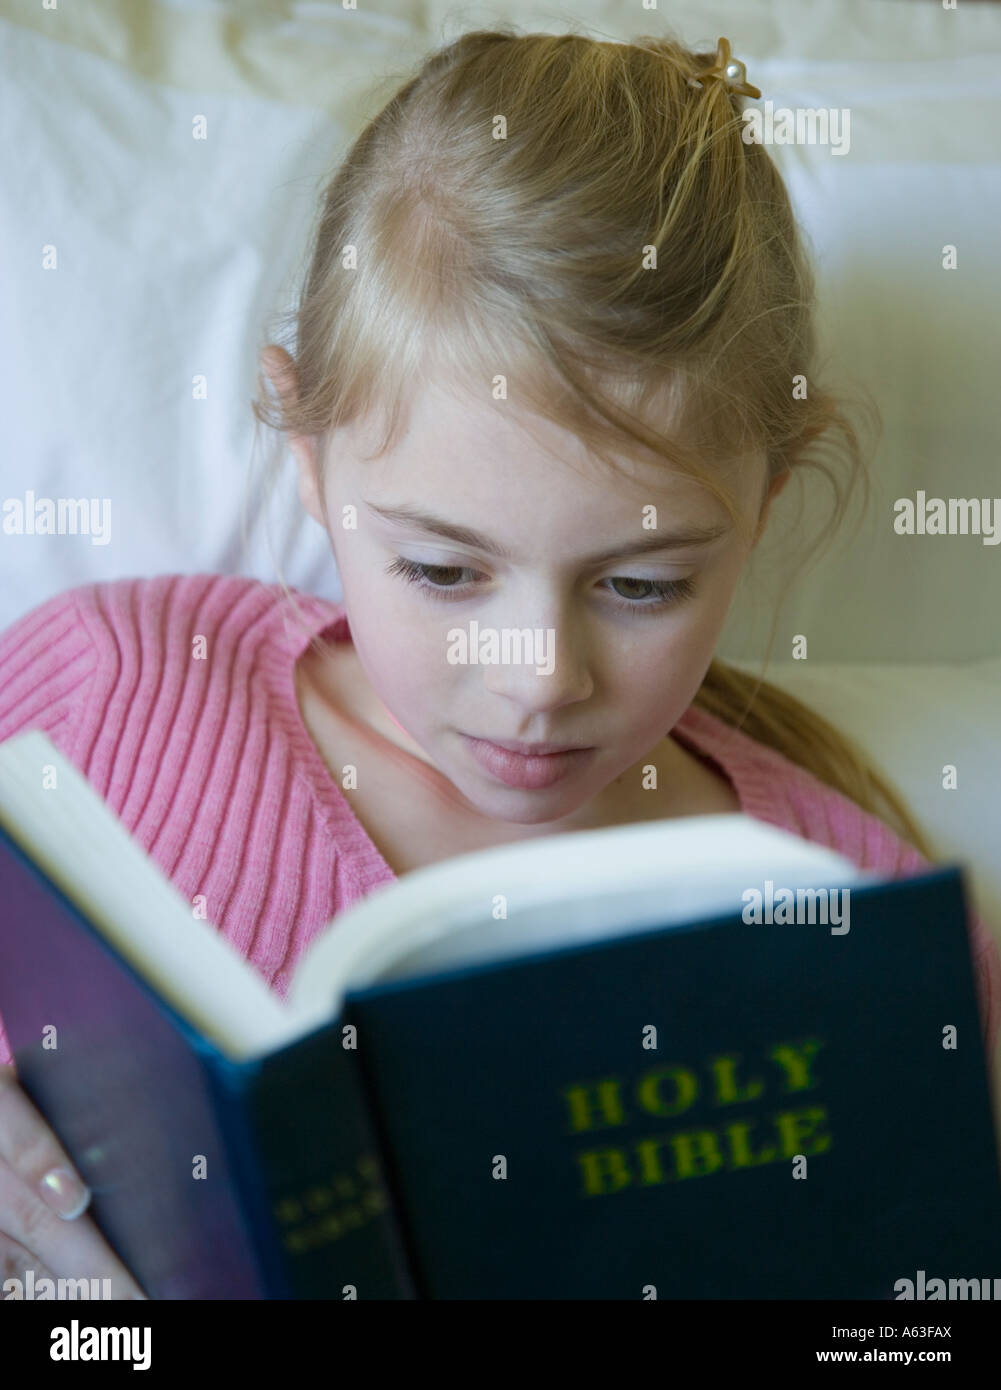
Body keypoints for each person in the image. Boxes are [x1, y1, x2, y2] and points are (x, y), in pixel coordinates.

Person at [0, 29, 996, 1301]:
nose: (536, 678)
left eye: (639, 585)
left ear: (762, 509)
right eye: (443, 571)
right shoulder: (124, 681)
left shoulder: (855, 916)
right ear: (309, 461)